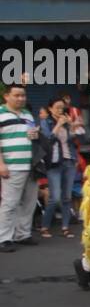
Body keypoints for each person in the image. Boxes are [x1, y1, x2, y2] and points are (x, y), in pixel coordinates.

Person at [0, 84, 40, 252]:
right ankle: (3, 237)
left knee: (29, 203)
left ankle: (22, 234)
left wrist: (34, 134)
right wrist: (1, 164)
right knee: (10, 203)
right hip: (12, 165)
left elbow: (32, 135)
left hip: (31, 165)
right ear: (6, 96)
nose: (21, 98)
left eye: (23, 95)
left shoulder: (27, 114)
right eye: (17, 95)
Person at [39, 97, 81, 239]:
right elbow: (47, 140)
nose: (60, 110)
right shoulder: (46, 122)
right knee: (54, 197)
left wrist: (72, 127)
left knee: (67, 197)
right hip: (54, 163)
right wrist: (58, 125)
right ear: (50, 109)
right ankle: (45, 226)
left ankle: (65, 227)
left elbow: (73, 141)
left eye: (62, 107)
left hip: (69, 161)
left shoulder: (66, 122)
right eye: (57, 107)